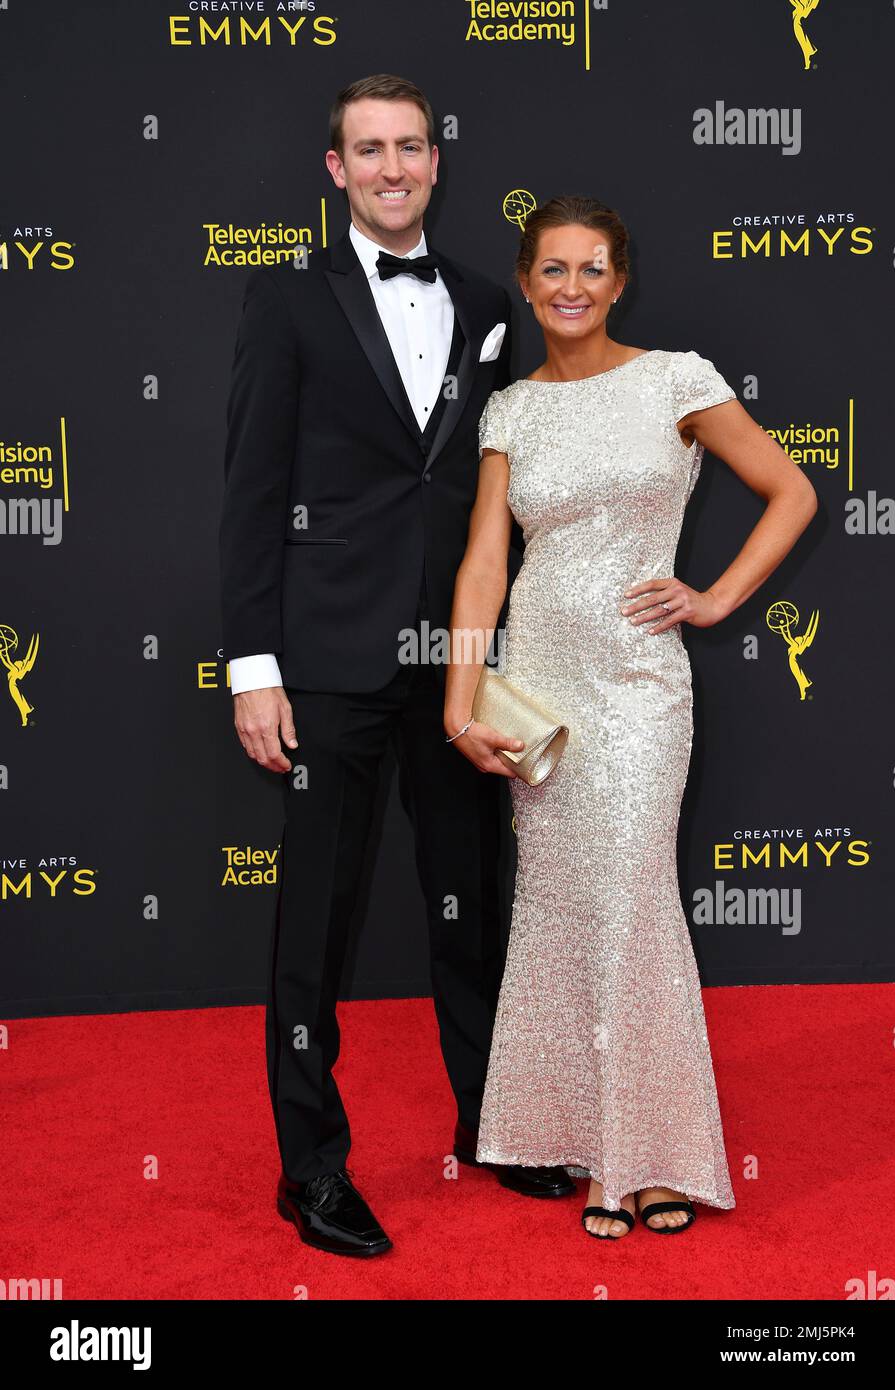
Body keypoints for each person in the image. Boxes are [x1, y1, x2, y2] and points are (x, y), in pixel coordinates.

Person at [218, 76, 575, 1259]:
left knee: (469, 908)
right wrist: (252, 663)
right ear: (335, 171)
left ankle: (492, 1121)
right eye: (365, 151)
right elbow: (251, 490)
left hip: (455, 663)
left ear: (435, 159)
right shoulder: (284, 301)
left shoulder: (483, 299)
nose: (388, 167)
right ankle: (310, 1167)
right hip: (324, 661)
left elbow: (489, 494)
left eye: (407, 147)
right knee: (313, 927)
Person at [444, 195, 818, 1240]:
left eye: (591, 269)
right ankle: (574, 1134)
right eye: (551, 269)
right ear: (525, 282)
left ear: (618, 282)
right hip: (542, 688)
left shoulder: (674, 380)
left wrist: (714, 595)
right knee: (563, 913)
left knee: (634, 899)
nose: (570, 287)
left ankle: (646, 1160)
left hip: (640, 685)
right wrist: (461, 689)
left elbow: (788, 490)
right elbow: (483, 562)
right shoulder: (508, 408)